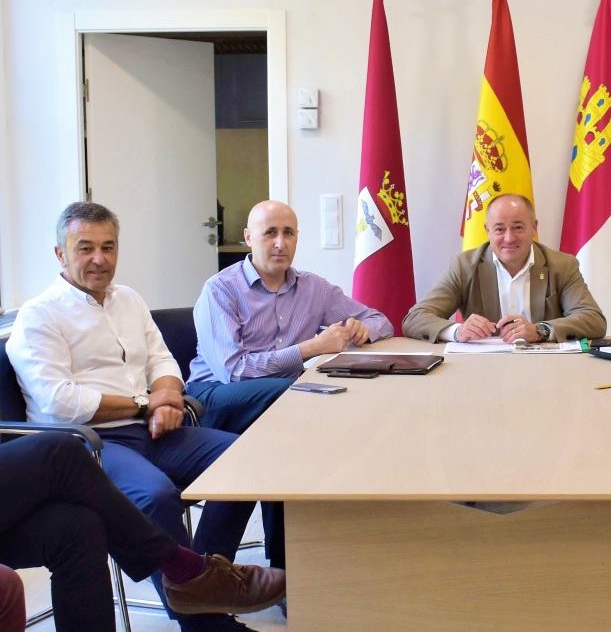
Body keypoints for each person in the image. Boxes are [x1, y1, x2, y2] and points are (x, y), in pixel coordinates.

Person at [6, 202, 265, 632]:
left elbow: (164, 362)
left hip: (155, 429)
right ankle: (202, 620)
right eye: (85, 247)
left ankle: (207, 575)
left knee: (248, 459)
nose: (99, 259)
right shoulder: (39, 315)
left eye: (108, 247)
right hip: (87, 446)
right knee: (156, 496)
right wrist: (148, 404)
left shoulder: (129, 299)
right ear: (60, 254)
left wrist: (165, 397)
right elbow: (60, 402)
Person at [187, 199, 394, 569]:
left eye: (288, 233)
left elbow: (381, 320)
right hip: (214, 400)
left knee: (273, 444)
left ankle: (273, 571)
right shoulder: (220, 289)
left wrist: (363, 329)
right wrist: (310, 349)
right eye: (270, 233)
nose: (280, 243)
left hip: (280, 406)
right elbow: (233, 370)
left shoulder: (313, 288)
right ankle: (276, 568)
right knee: (299, 402)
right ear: (249, 237)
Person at [0, 431, 286, 632]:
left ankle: (194, 583)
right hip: (98, 435)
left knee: (77, 526)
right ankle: (188, 573)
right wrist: (141, 403)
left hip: (145, 428)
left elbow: (162, 364)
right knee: (60, 451)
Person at [402, 194, 606, 344]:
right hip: (483, 371)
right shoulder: (464, 267)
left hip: (546, 367)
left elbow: (593, 319)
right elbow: (415, 318)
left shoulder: (562, 265)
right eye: (499, 229)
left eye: (518, 227)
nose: (509, 238)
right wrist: (458, 331)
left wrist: (540, 330)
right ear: (487, 231)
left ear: (533, 228)